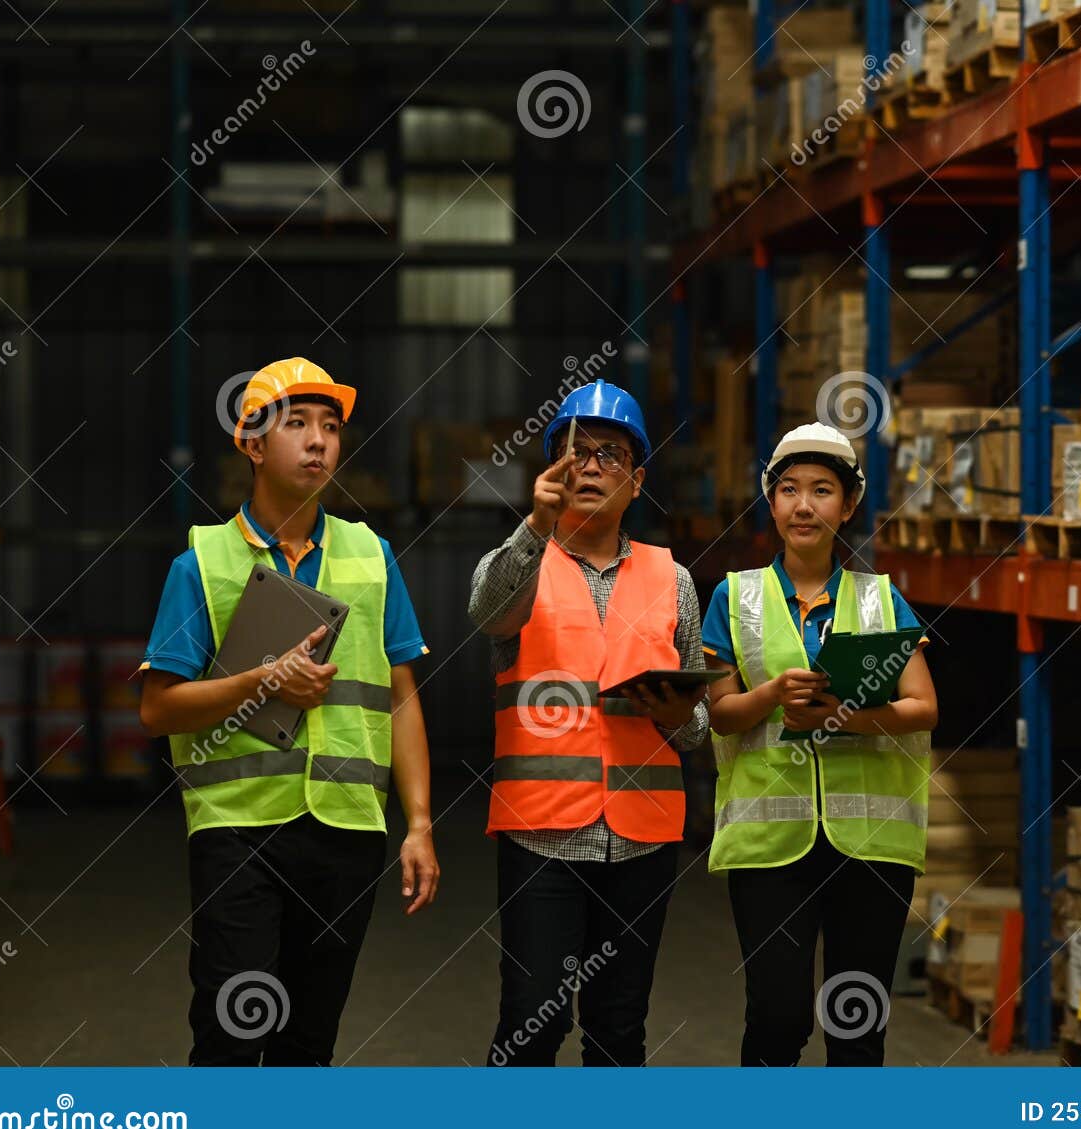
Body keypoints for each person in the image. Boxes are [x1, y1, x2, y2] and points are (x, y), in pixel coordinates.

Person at [139, 356, 439, 1066]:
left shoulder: (372, 556)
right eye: (296, 424)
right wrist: (263, 681)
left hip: (345, 831)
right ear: (250, 443)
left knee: (309, 1043)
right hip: (238, 831)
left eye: (330, 427)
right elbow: (157, 709)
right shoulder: (203, 563)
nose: (318, 442)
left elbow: (401, 696)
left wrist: (420, 822)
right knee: (232, 1035)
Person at [468, 378, 710, 1066]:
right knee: (530, 1025)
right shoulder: (517, 564)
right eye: (578, 452)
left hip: (641, 841)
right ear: (553, 469)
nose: (593, 466)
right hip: (542, 836)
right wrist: (533, 528)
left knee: (619, 1030)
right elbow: (487, 615)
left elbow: (698, 729)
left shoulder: (675, 580)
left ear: (637, 480)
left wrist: (678, 712)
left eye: (611, 454)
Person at [702, 421, 937, 1066]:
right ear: (771, 502)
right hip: (768, 847)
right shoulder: (735, 595)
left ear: (849, 505)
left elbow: (925, 707)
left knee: (858, 1030)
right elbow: (719, 714)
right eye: (788, 490)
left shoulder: (882, 599)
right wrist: (773, 694)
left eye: (822, 491)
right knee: (777, 1019)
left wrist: (846, 717)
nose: (804, 506)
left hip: (870, 845)